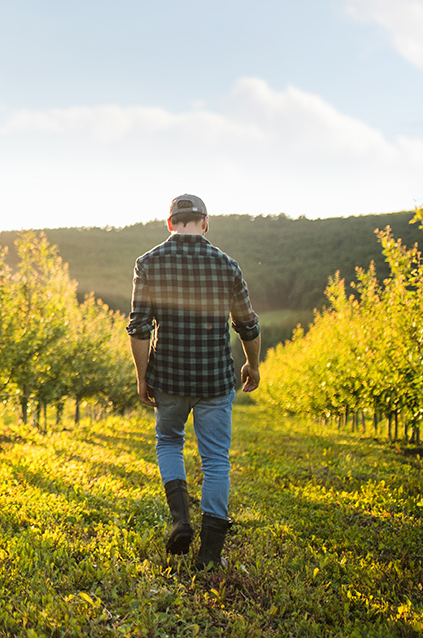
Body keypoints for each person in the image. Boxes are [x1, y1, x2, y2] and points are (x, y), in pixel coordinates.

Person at [126, 194, 261, 570]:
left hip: (167, 377)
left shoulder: (148, 263)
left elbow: (138, 327)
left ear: (170, 223)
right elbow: (247, 323)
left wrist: (142, 376)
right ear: (205, 222)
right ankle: (210, 555)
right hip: (215, 380)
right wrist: (252, 365)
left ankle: (181, 520)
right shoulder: (227, 265)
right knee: (216, 460)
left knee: (169, 441)